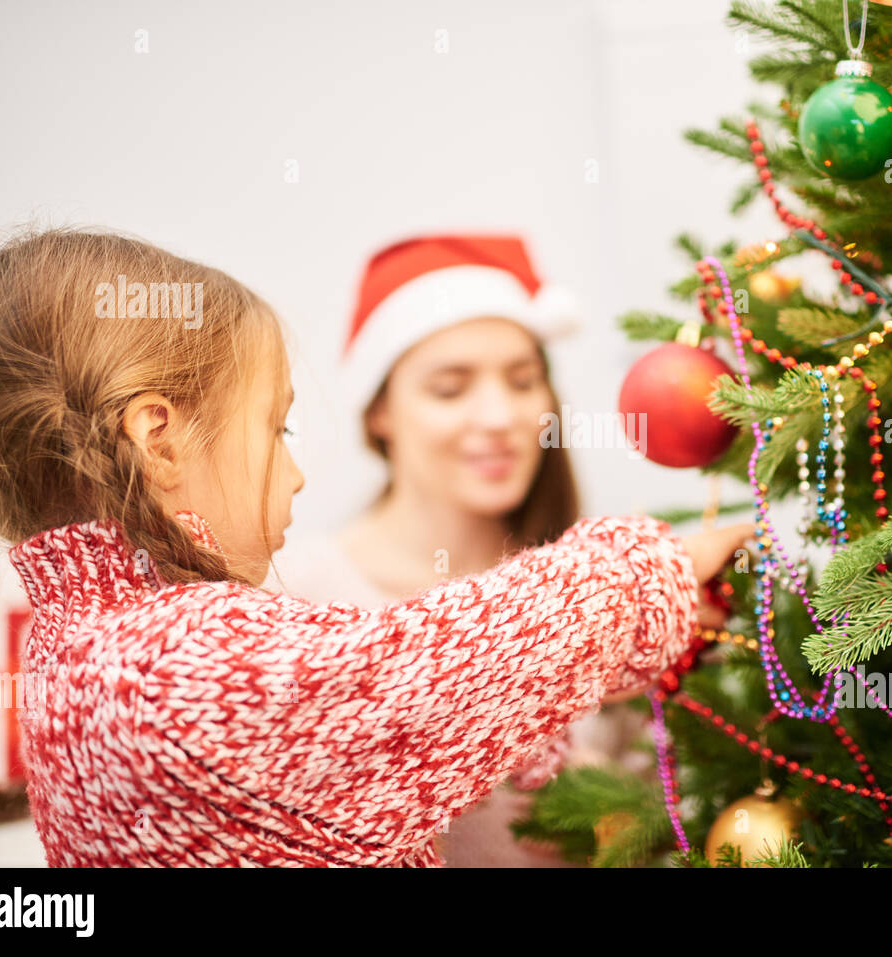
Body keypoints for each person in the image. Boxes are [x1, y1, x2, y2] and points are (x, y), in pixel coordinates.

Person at [0, 226, 754, 867]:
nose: (295, 475)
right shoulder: (172, 659)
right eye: (276, 428)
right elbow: (423, 668)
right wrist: (661, 565)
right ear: (157, 439)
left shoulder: (77, 644)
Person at [267, 234, 659, 866]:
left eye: (523, 380)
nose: (500, 415)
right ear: (380, 414)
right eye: (450, 389)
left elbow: (656, 825)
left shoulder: (599, 593)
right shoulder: (294, 595)